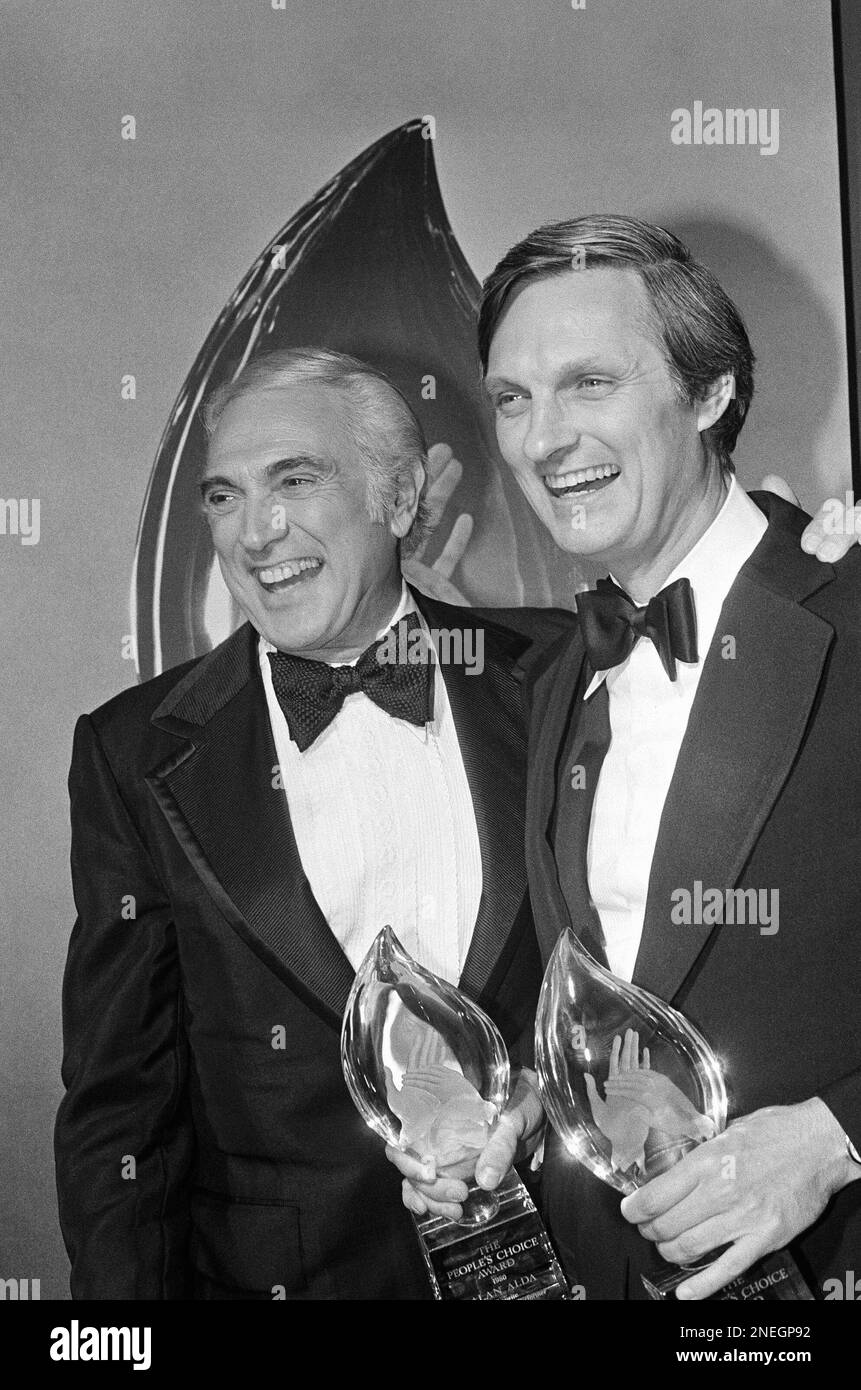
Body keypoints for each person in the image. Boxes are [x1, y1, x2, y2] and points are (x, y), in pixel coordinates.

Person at [392, 215, 861, 1300]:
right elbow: (614, 989)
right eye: (513, 398)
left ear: (710, 394)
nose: (544, 438)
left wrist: (835, 1137)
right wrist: (524, 1110)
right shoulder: (563, 676)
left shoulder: (847, 609)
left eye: (590, 383)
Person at [54, 347, 554, 1300]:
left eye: (295, 480)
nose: (255, 531)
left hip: (567, 1258)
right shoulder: (134, 751)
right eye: (223, 497)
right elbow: (121, 1107)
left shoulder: (557, 676)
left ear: (401, 498)